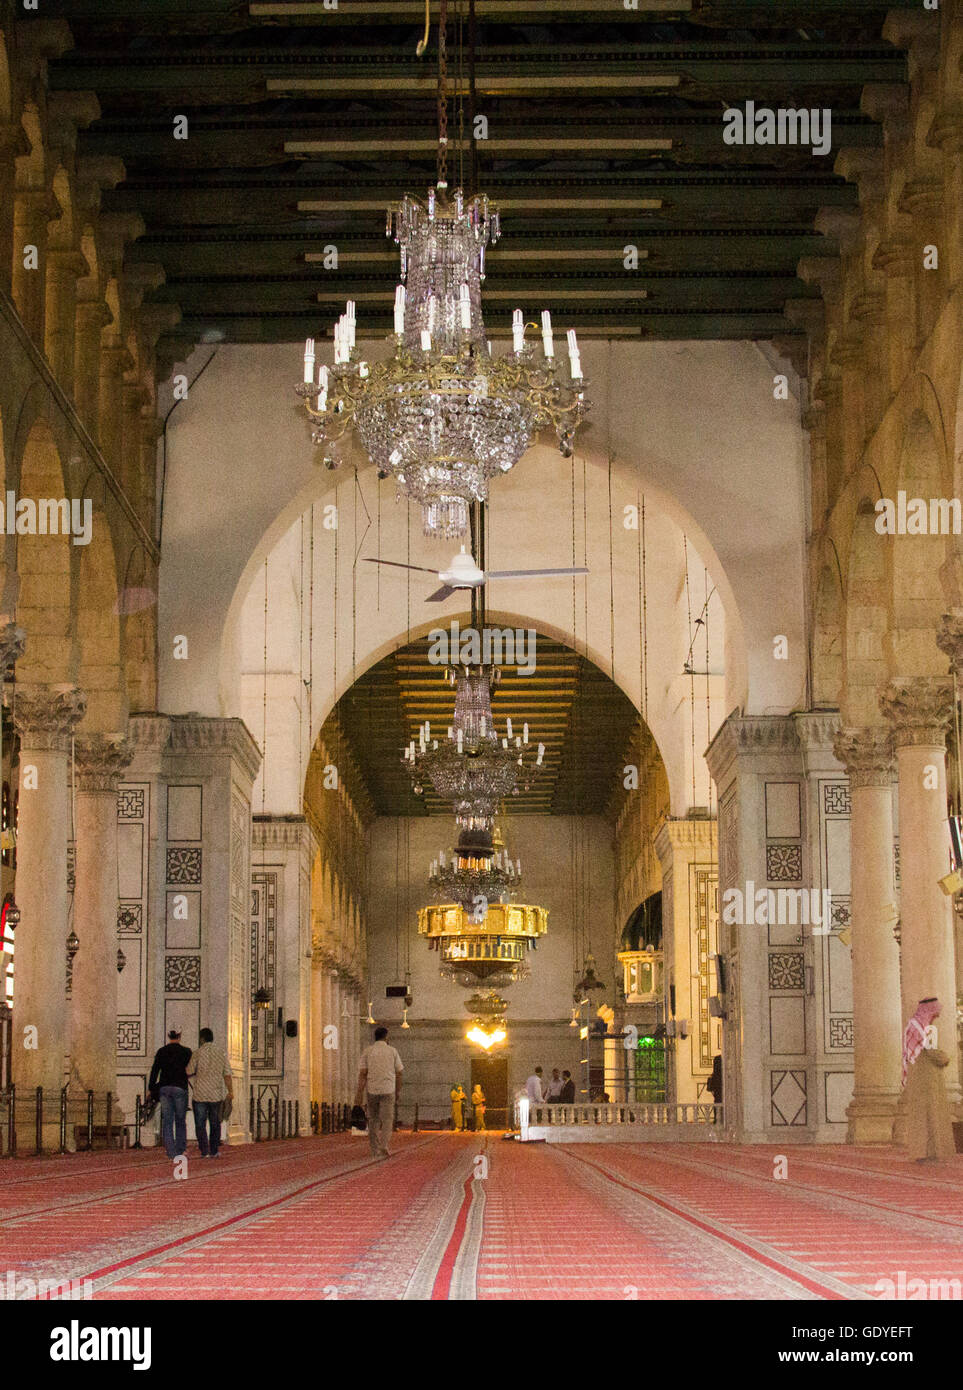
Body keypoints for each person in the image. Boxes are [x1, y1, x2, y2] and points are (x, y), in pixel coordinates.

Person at [902, 997, 955, 1162]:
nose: (938, 1015)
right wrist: (945, 1058)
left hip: (918, 1076)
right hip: (928, 1078)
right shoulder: (925, 1028)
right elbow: (933, 1052)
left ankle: (922, 1152)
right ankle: (930, 1152)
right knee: (931, 1113)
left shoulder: (913, 1025)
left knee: (921, 1115)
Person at [355, 1025, 403, 1159]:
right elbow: (399, 1073)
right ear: (386, 1037)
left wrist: (359, 1093)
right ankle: (384, 1146)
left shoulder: (368, 1051)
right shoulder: (392, 1051)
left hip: (372, 1089)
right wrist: (397, 1090)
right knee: (387, 1120)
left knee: (373, 1119)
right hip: (388, 1089)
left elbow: (363, 1073)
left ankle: (374, 1149)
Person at [187, 1027, 233, 1158]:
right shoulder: (221, 1053)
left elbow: (188, 1071)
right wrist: (231, 1091)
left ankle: (204, 1150)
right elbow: (227, 1075)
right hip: (215, 1094)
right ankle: (214, 1150)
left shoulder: (197, 1053)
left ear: (202, 1039)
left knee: (200, 1124)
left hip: (200, 1094)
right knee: (215, 1123)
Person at [148, 1028, 192, 1160]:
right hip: (180, 1088)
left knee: (167, 1121)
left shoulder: (162, 1051)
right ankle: (181, 1149)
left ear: (169, 1036)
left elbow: (155, 1070)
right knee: (180, 1120)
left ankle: (170, 1151)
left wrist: (150, 1088)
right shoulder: (186, 1051)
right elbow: (190, 1070)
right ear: (180, 1036)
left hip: (165, 1088)